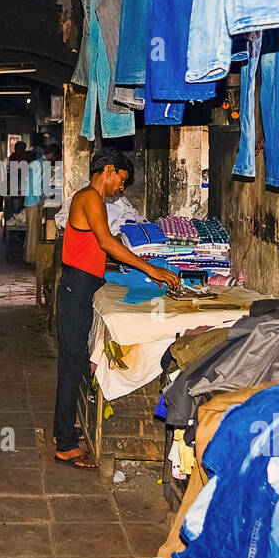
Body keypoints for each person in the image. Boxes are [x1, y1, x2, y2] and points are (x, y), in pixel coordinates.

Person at [54, 148, 179, 469]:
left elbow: (97, 249)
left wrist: (142, 264)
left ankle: (62, 432)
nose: (121, 188)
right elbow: (108, 242)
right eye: (121, 181)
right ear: (107, 170)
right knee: (72, 363)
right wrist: (151, 271)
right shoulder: (90, 198)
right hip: (76, 287)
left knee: (76, 361)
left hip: (81, 283)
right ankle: (65, 445)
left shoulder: (90, 199)